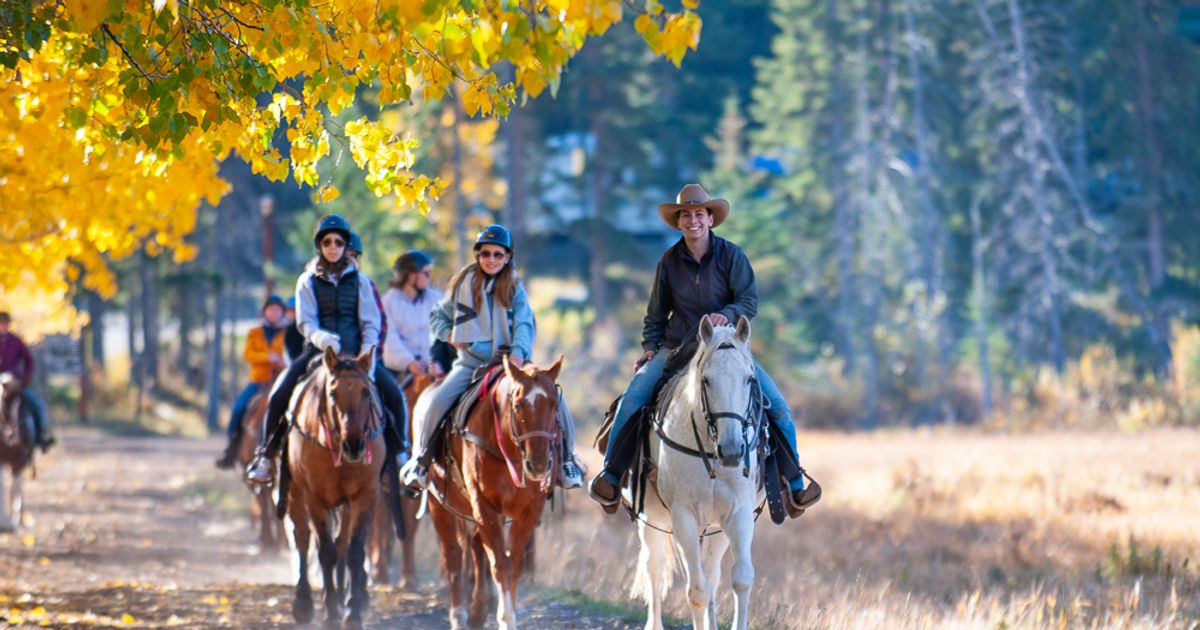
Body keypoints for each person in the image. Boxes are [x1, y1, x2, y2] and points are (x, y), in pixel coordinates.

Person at [587, 184, 821, 517]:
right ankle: (611, 477)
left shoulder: (732, 256)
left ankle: (794, 484)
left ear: (710, 219)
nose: (693, 220)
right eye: (686, 215)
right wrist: (650, 348)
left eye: (699, 214)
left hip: (725, 349)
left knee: (778, 408)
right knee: (632, 399)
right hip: (676, 348)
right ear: (679, 222)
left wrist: (726, 314)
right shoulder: (669, 262)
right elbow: (656, 313)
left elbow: (748, 301)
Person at [399, 224, 584, 489]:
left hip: (514, 365)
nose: (491, 260)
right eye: (485, 253)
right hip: (471, 363)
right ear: (478, 255)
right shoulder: (462, 284)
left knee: (556, 399)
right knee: (436, 402)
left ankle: (567, 461)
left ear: (507, 257)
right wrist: (450, 334)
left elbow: (524, 323)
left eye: (498, 254)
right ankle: (420, 461)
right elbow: (437, 316)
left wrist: (518, 354)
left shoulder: (515, 287)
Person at [245, 214, 409, 485]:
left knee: (395, 395)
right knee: (278, 394)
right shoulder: (306, 280)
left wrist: (367, 352)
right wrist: (323, 340)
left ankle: (402, 452)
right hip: (317, 354)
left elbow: (371, 321)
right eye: (327, 242)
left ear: (345, 246)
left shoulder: (362, 281)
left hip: (357, 356)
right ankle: (265, 456)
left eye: (338, 242)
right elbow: (305, 322)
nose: (333, 247)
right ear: (319, 246)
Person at [215, 295, 288, 469]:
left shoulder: (288, 333)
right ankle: (232, 447)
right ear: (265, 312)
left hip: (280, 380)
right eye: (271, 309)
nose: (274, 313)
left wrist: (282, 362)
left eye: (278, 310)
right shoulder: (254, 332)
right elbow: (248, 355)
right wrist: (268, 357)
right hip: (258, 381)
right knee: (239, 408)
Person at [382, 250, 444, 380]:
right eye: (426, 273)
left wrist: (438, 361)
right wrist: (409, 363)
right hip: (399, 369)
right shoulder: (389, 301)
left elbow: (443, 334)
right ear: (411, 276)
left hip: (432, 366)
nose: (430, 277)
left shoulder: (436, 298)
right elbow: (390, 339)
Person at [0, 312, 53, 452]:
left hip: (15, 383)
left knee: (36, 404)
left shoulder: (15, 341)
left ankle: (41, 437)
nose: (2, 325)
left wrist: (25, 379)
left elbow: (29, 361)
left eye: (4, 323)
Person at [282, 296, 305, 362]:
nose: (291, 313)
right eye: (289, 310)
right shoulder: (289, 329)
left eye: (294, 310)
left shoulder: (305, 327)